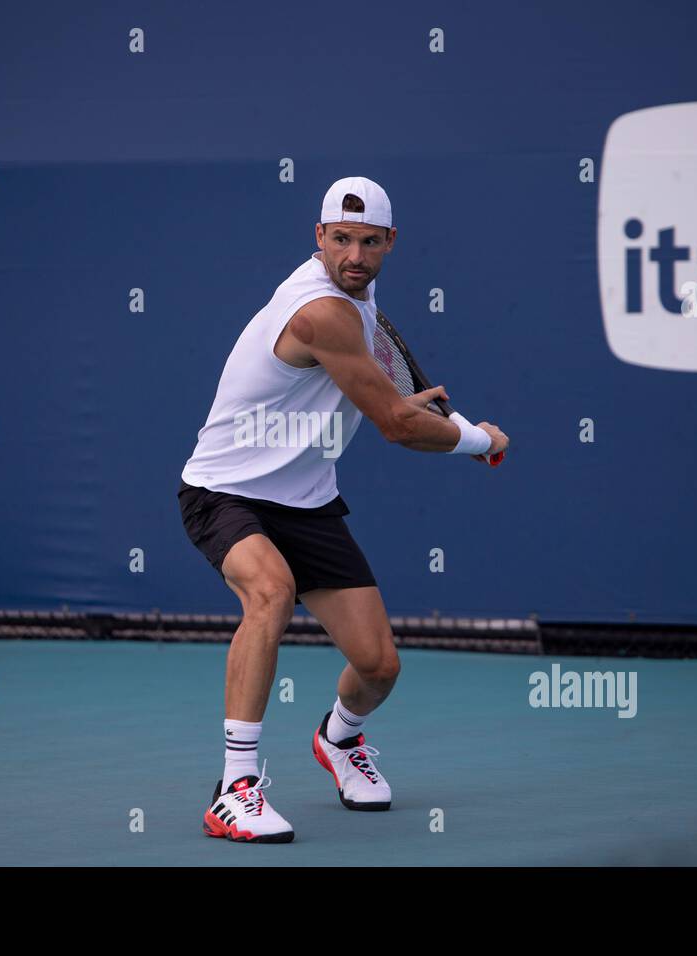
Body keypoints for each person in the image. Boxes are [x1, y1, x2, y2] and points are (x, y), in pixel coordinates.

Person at [178, 176, 509, 843]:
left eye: (368, 241)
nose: (353, 255)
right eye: (340, 240)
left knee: (379, 666)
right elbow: (395, 427)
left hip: (306, 502)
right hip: (225, 492)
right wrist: (479, 439)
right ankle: (235, 789)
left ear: (390, 243)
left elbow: (375, 395)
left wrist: (397, 405)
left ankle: (338, 739)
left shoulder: (360, 295)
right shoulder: (319, 310)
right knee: (270, 592)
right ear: (318, 238)